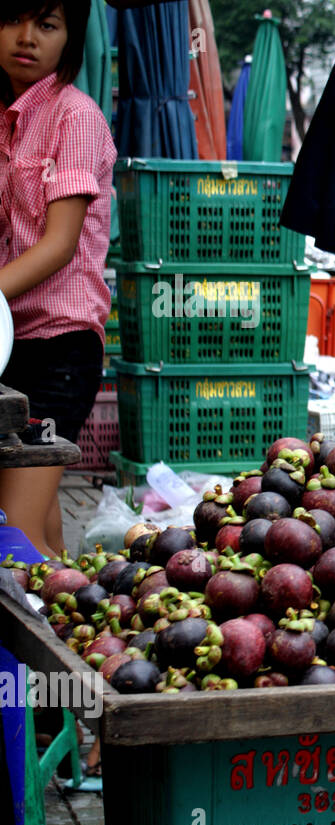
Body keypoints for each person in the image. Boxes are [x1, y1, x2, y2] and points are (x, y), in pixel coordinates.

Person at [0, 0, 116, 558]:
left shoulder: (77, 116)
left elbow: (59, 243)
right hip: (12, 343)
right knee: (39, 531)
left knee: (12, 538)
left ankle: (36, 638)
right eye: (13, 20)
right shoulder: (6, 119)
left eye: (47, 25)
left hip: (60, 350)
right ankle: (71, 634)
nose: (27, 37)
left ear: (69, 39)